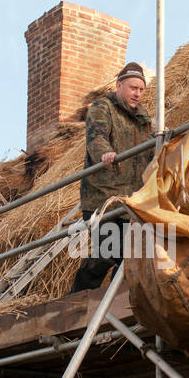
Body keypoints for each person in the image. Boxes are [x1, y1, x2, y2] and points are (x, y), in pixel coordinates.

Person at [71, 62, 154, 292]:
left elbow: (151, 154)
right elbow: (96, 137)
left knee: (132, 258)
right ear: (119, 86)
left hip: (130, 201)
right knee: (109, 251)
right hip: (102, 199)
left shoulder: (143, 120)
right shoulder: (102, 107)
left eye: (141, 89)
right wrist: (104, 153)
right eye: (132, 88)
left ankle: (117, 302)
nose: (137, 93)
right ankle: (76, 298)